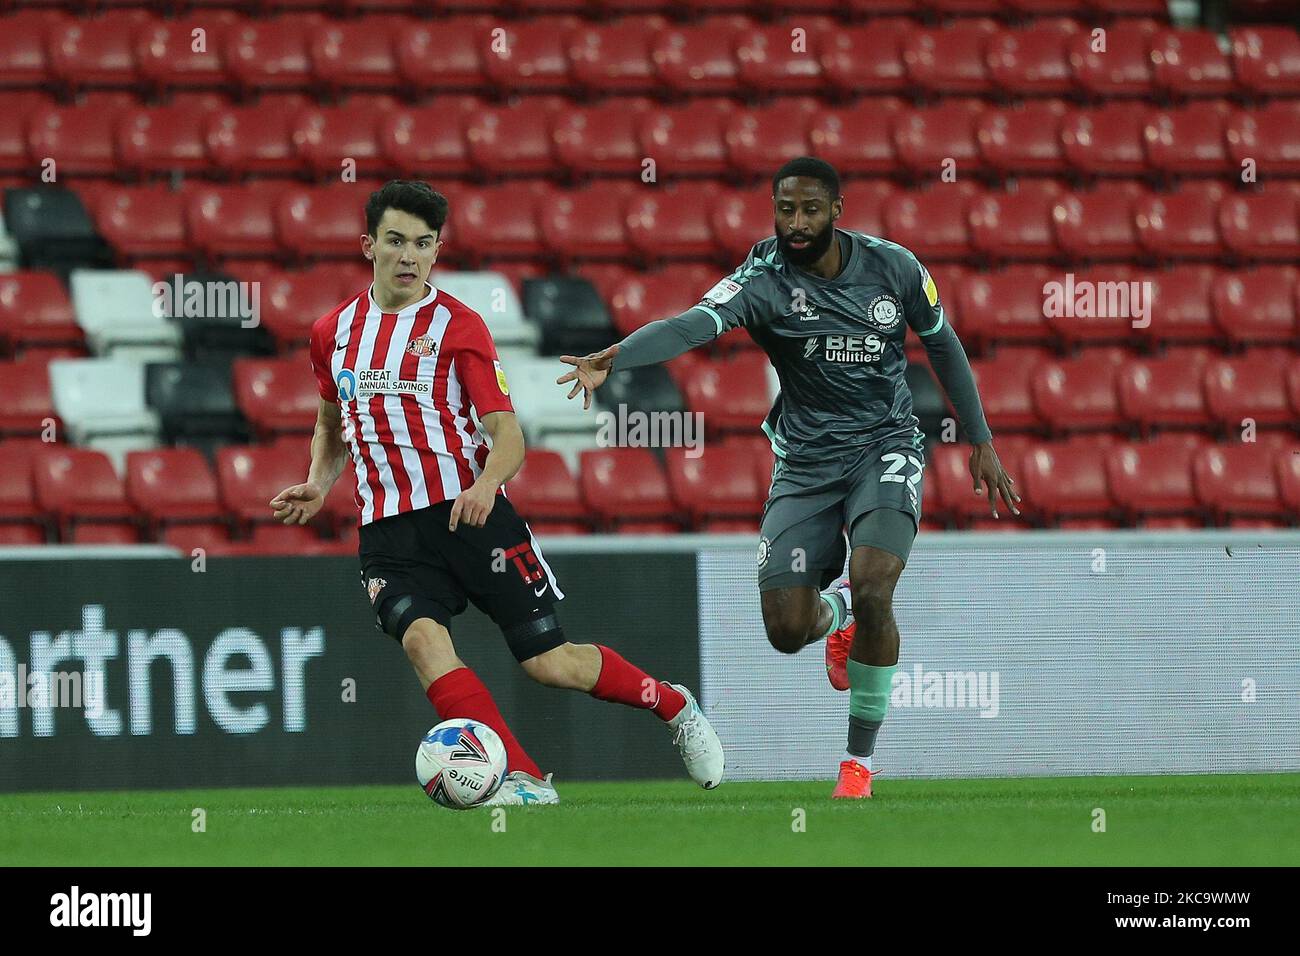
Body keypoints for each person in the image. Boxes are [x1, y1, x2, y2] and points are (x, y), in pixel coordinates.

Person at [557, 158, 1020, 798]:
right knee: (786, 630)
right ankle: (836, 619)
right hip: (805, 465)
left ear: (837, 210)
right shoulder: (764, 279)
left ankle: (857, 765)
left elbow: (943, 345)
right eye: (784, 209)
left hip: (884, 448)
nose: (795, 223)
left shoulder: (896, 268)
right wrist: (617, 356)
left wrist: (980, 440)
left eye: (808, 209)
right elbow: (692, 323)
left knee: (876, 582)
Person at [269, 180, 724, 805]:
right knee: (424, 641)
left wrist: (487, 484)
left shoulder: (459, 328)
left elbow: (508, 437)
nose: (409, 256)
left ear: (436, 251)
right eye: (396, 241)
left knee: (548, 662)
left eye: (423, 244)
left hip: (470, 515)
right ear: (368, 244)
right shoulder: (332, 332)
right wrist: (320, 483)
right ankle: (521, 777)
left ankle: (672, 704)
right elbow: (330, 424)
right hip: (388, 534)